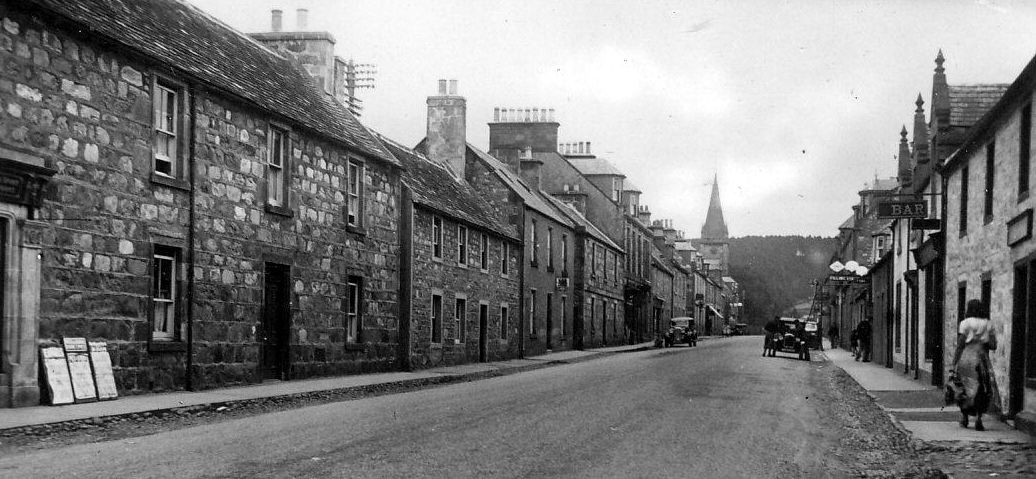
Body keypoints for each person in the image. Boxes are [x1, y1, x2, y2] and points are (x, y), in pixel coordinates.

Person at [951, 299, 997, 431]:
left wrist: (954, 364)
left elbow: (960, 345)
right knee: (983, 388)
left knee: (964, 388)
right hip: (982, 359)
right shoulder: (988, 324)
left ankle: (964, 417)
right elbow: (993, 346)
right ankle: (978, 417)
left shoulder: (965, 323)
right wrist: (984, 340)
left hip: (967, 358)